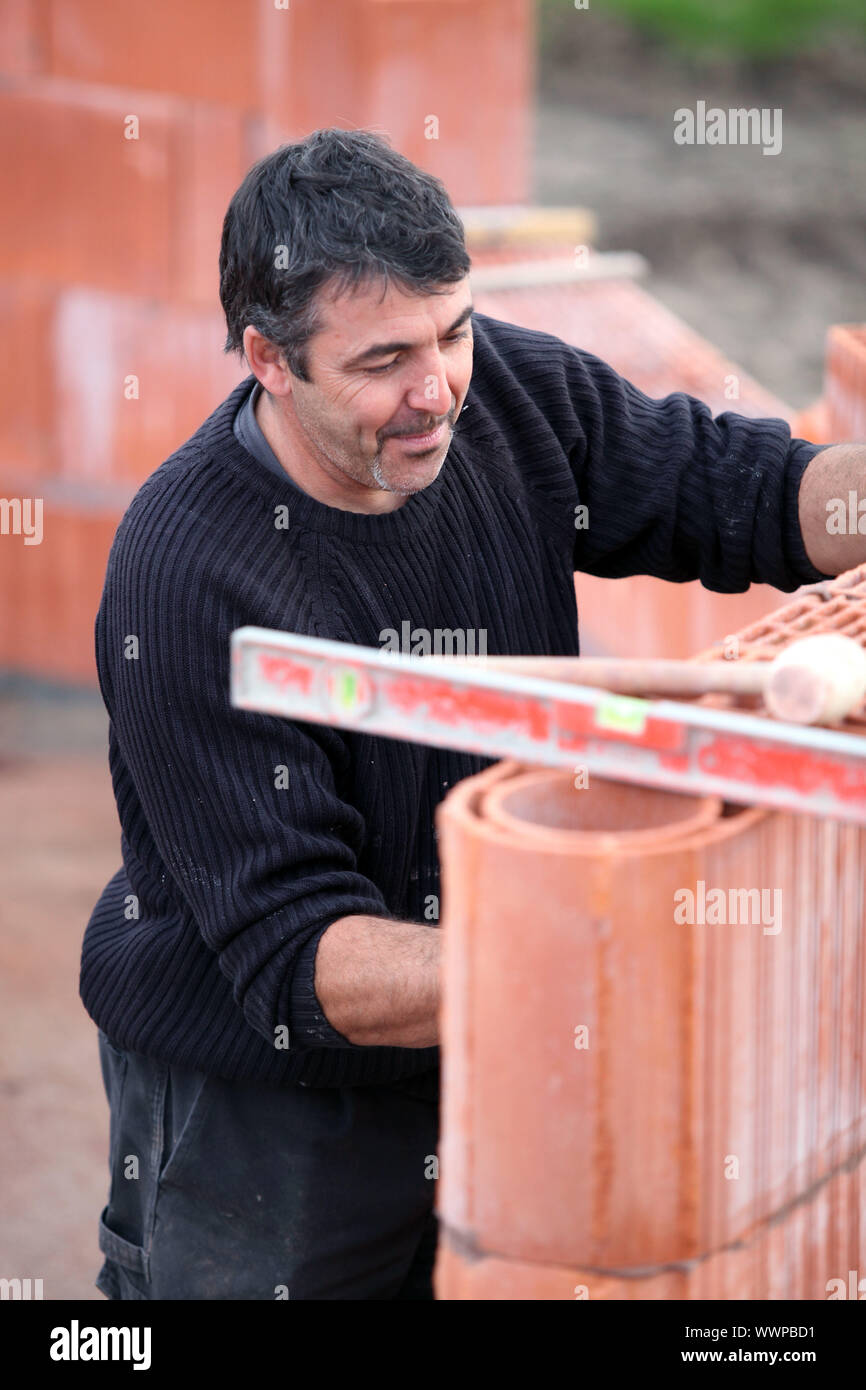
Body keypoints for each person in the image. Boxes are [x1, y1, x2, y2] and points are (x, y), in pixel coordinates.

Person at [81, 127, 862, 1301]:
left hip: (485, 1023)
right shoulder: (187, 574)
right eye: (385, 359)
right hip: (270, 1112)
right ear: (267, 358)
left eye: (452, 332)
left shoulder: (502, 396)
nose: (436, 390)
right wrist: (602, 949)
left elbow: (741, 490)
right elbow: (308, 965)